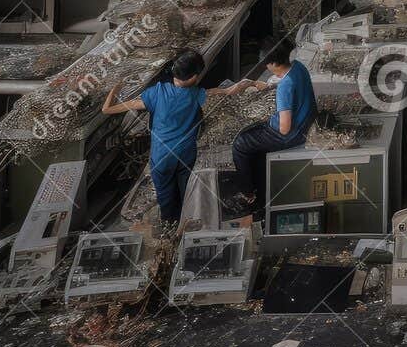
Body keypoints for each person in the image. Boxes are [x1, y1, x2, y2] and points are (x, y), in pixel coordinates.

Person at [102, 49, 243, 227]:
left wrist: (117, 85)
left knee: (166, 198)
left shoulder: (156, 93)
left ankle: (169, 226)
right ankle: (185, 225)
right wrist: (232, 88)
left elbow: (107, 109)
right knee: (186, 194)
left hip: (162, 158)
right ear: (194, 76)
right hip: (186, 155)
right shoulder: (196, 94)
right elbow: (216, 92)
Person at [229, 40, 316, 204]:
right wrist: (259, 84)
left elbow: (284, 129)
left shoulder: (285, 86)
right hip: (306, 122)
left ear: (274, 63)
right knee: (251, 135)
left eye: (266, 64)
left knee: (240, 144)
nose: (266, 67)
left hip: (292, 134)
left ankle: (248, 194)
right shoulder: (298, 66)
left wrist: (269, 118)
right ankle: (260, 177)